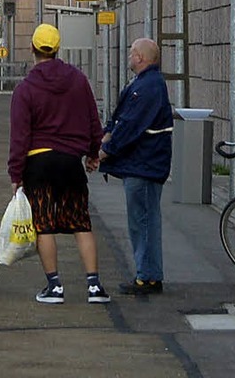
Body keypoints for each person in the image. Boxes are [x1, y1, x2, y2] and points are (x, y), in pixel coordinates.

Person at [8, 23, 110, 305]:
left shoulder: (26, 88)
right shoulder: (78, 80)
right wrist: (92, 153)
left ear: (33, 49)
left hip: (38, 163)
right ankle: (94, 286)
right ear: (57, 50)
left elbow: (19, 136)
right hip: (69, 162)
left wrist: (15, 174)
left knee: (44, 224)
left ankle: (54, 287)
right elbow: (93, 121)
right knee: (80, 222)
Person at [99, 38, 173, 295]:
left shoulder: (148, 87)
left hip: (144, 165)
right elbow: (123, 119)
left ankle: (148, 276)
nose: (129, 57)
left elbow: (130, 125)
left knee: (142, 222)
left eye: (132, 53)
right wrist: (107, 134)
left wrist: (105, 150)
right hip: (143, 164)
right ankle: (148, 273)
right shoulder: (146, 84)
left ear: (141, 57)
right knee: (143, 220)